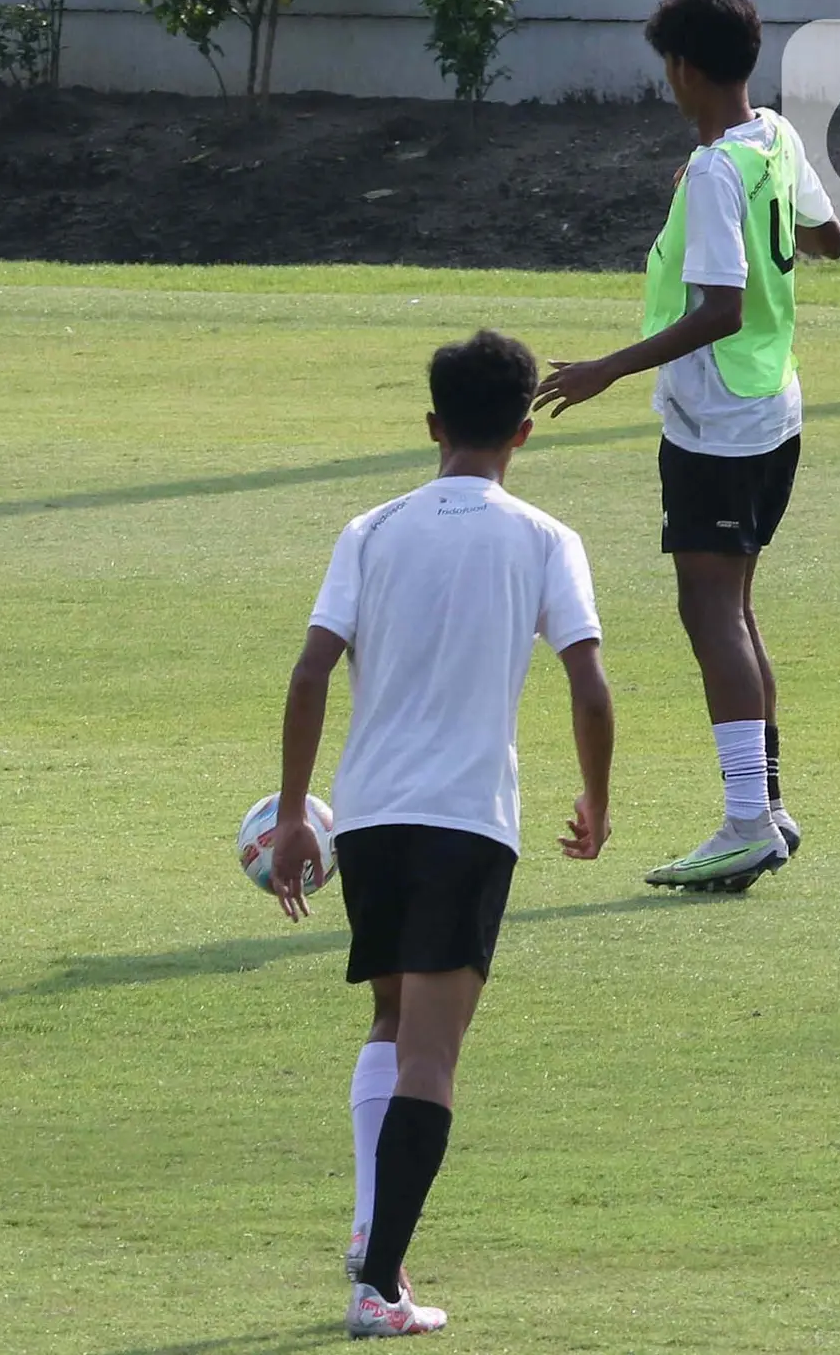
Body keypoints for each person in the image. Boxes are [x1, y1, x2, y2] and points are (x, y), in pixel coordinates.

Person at [271, 331, 615, 1337]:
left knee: (389, 1023)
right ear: (521, 432)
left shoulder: (369, 530)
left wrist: (295, 811)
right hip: (465, 824)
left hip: (368, 821)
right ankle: (377, 1287)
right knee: (432, 1056)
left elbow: (307, 673)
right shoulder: (544, 538)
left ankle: (371, 1232)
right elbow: (586, 684)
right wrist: (594, 798)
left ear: (429, 426)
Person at [532, 0, 840, 892]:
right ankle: (769, 809)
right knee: (733, 609)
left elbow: (720, 308)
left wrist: (606, 369)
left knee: (711, 612)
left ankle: (746, 819)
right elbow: (831, 239)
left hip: (718, 422)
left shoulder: (715, 168)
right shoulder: (774, 137)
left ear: (682, 68)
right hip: (773, 406)